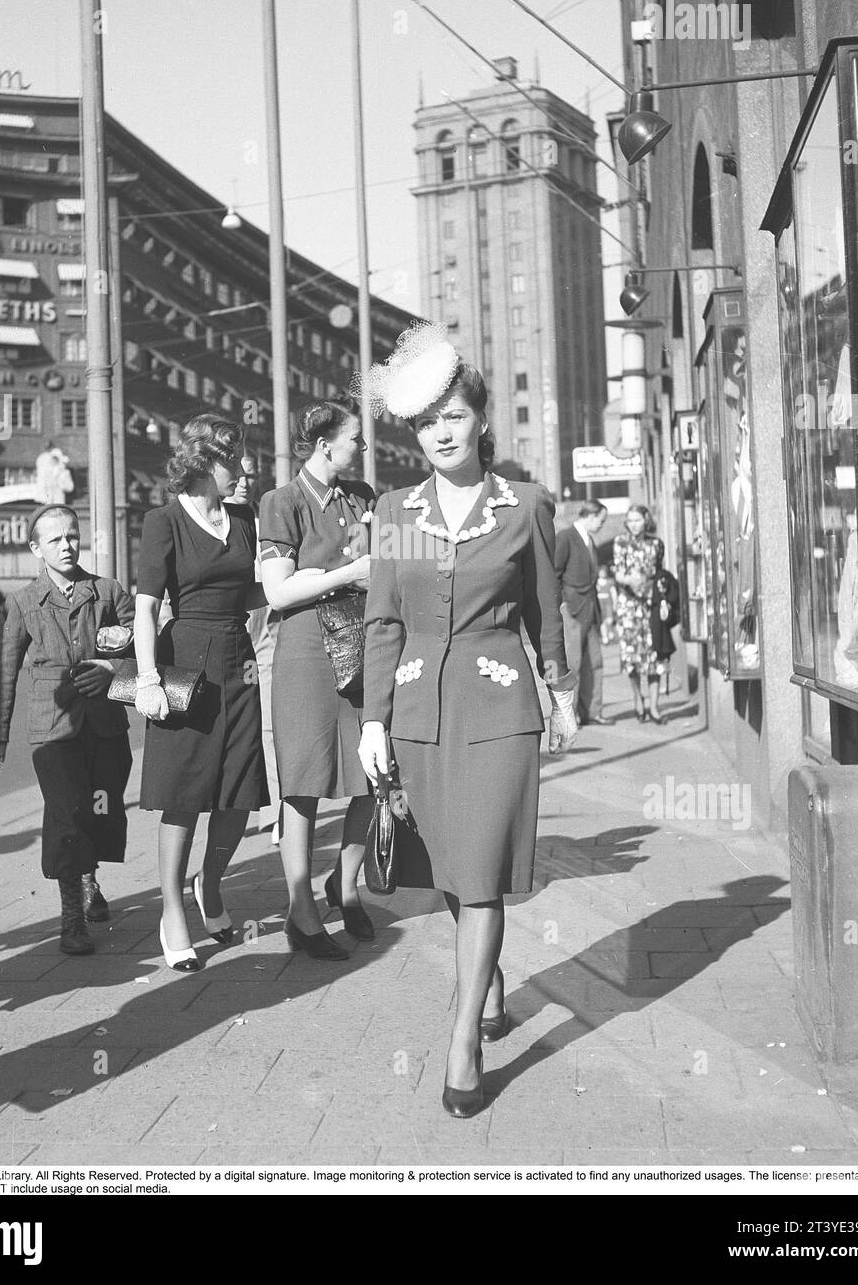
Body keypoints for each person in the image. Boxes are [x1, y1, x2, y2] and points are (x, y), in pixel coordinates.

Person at [356, 323, 578, 1119]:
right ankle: (487, 980)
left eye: (453, 416)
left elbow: (547, 607)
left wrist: (560, 689)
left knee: (480, 869)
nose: (441, 433)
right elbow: (382, 621)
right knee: (453, 870)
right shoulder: (392, 510)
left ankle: (461, 1043)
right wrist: (372, 721)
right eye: (426, 423)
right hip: (416, 710)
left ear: (481, 419)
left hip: (498, 708)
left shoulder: (524, 507)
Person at [134, 415, 270, 973]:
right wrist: (146, 679)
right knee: (185, 793)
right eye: (234, 458)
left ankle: (209, 885)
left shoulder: (243, 518)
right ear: (204, 462)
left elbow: (254, 589)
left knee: (240, 791)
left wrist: (322, 577)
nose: (245, 468)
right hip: (184, 657)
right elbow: (146, 606)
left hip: (238, 659)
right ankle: (173, 913)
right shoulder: (163, 521)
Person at [0, 504, 134, 955]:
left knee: (100, 808)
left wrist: (112, 668)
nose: (67, 545)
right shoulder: (24, 601)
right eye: (55, 539)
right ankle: (72, 915)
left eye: (72, 535)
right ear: (36, 549)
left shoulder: (107, 592)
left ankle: (90, 881)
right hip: (53, 727)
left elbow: (143, 644)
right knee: (67, 815)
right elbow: (7, 668)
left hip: (106, 723)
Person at [259, 398, 376, 959]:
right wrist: (350, 573)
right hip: (306, 650)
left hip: (363, 642)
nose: (364, 447)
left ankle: (345, 882)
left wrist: (324, 574)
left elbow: (395, 564)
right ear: (327, 444)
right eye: (357, 438)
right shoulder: (281, 503)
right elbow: (278, 593)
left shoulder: (365, 499)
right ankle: (301, 913)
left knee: (374, 773)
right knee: (303, 781)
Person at [554, 499, 612, 725]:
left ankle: (593, 710)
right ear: (590, 515)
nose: (602, 524)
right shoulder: (566, 537)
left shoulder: (590, 541)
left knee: (595, 661)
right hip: (573, 608)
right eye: (601, 519)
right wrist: (562, 604)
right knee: (574, 663)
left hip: (591, 609)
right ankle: (572, 713)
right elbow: (554, 573)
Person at [612, 503, 667, 723]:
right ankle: (638, 699)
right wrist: (629, 580)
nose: (634, 525)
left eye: (638, 520)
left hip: (651, 605)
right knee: (632, 657)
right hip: (629, 607)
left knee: (654, 655)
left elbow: (660, 573)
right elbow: (617, 572)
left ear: (646, 520)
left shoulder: (656, 544)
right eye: (630, 520)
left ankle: (654, 706)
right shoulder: (620, 542)